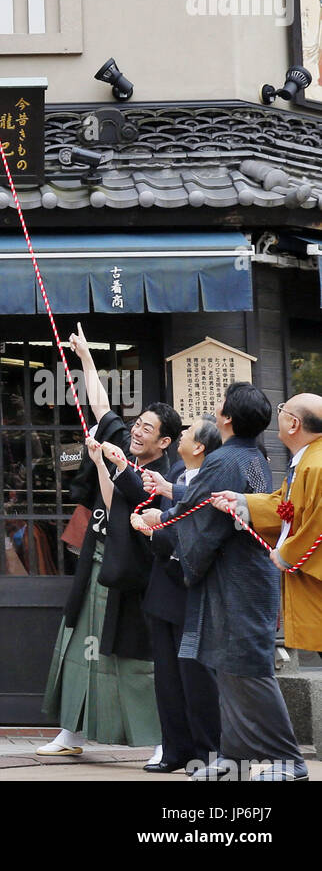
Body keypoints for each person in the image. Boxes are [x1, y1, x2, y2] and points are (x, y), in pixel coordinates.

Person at [142, 382, 307, 781]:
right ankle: (235, 757)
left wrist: (157, 523)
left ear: (228, 418)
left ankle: (290, 760)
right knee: (227, 667)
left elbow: (193, 515)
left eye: (219, 405)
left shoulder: (223, 460)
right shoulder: (254, 455)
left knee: (249, 670)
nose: (214, 409)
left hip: (238, 579)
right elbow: (201, 506)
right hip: (242, 575)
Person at [39, 325, 171, 758]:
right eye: (138, 424)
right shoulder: (120, 445)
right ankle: (71, 735)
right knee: (78, 644)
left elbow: (122, 501)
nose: (136, 431)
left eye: (147, 429)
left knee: (135, 660)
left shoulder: (161, 479)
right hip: (96, 559)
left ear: (163, 441)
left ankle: (160, 741)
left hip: (132, 573)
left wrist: (104, 464)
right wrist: (86, 359)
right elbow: (100, 403)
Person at [126, 416, 223, 772]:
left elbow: (197, 531)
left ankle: (207, 753)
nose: (180, 435)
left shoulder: (213, 480)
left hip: (194, 588)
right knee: (167, 677)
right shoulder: (179, 473)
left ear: (200, 446)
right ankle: (174, 751)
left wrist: (158, 526)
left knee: (195, 677)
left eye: (186, 433)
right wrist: (155, 527)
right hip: (164, 585)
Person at [213, 392, 322, 656]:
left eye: (283, 410)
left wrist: (288, 554)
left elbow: (318, 523)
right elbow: (285, 506)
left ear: (294, 424)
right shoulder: (308, 460)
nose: (279, 415)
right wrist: (243, 502)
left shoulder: (317, 465)